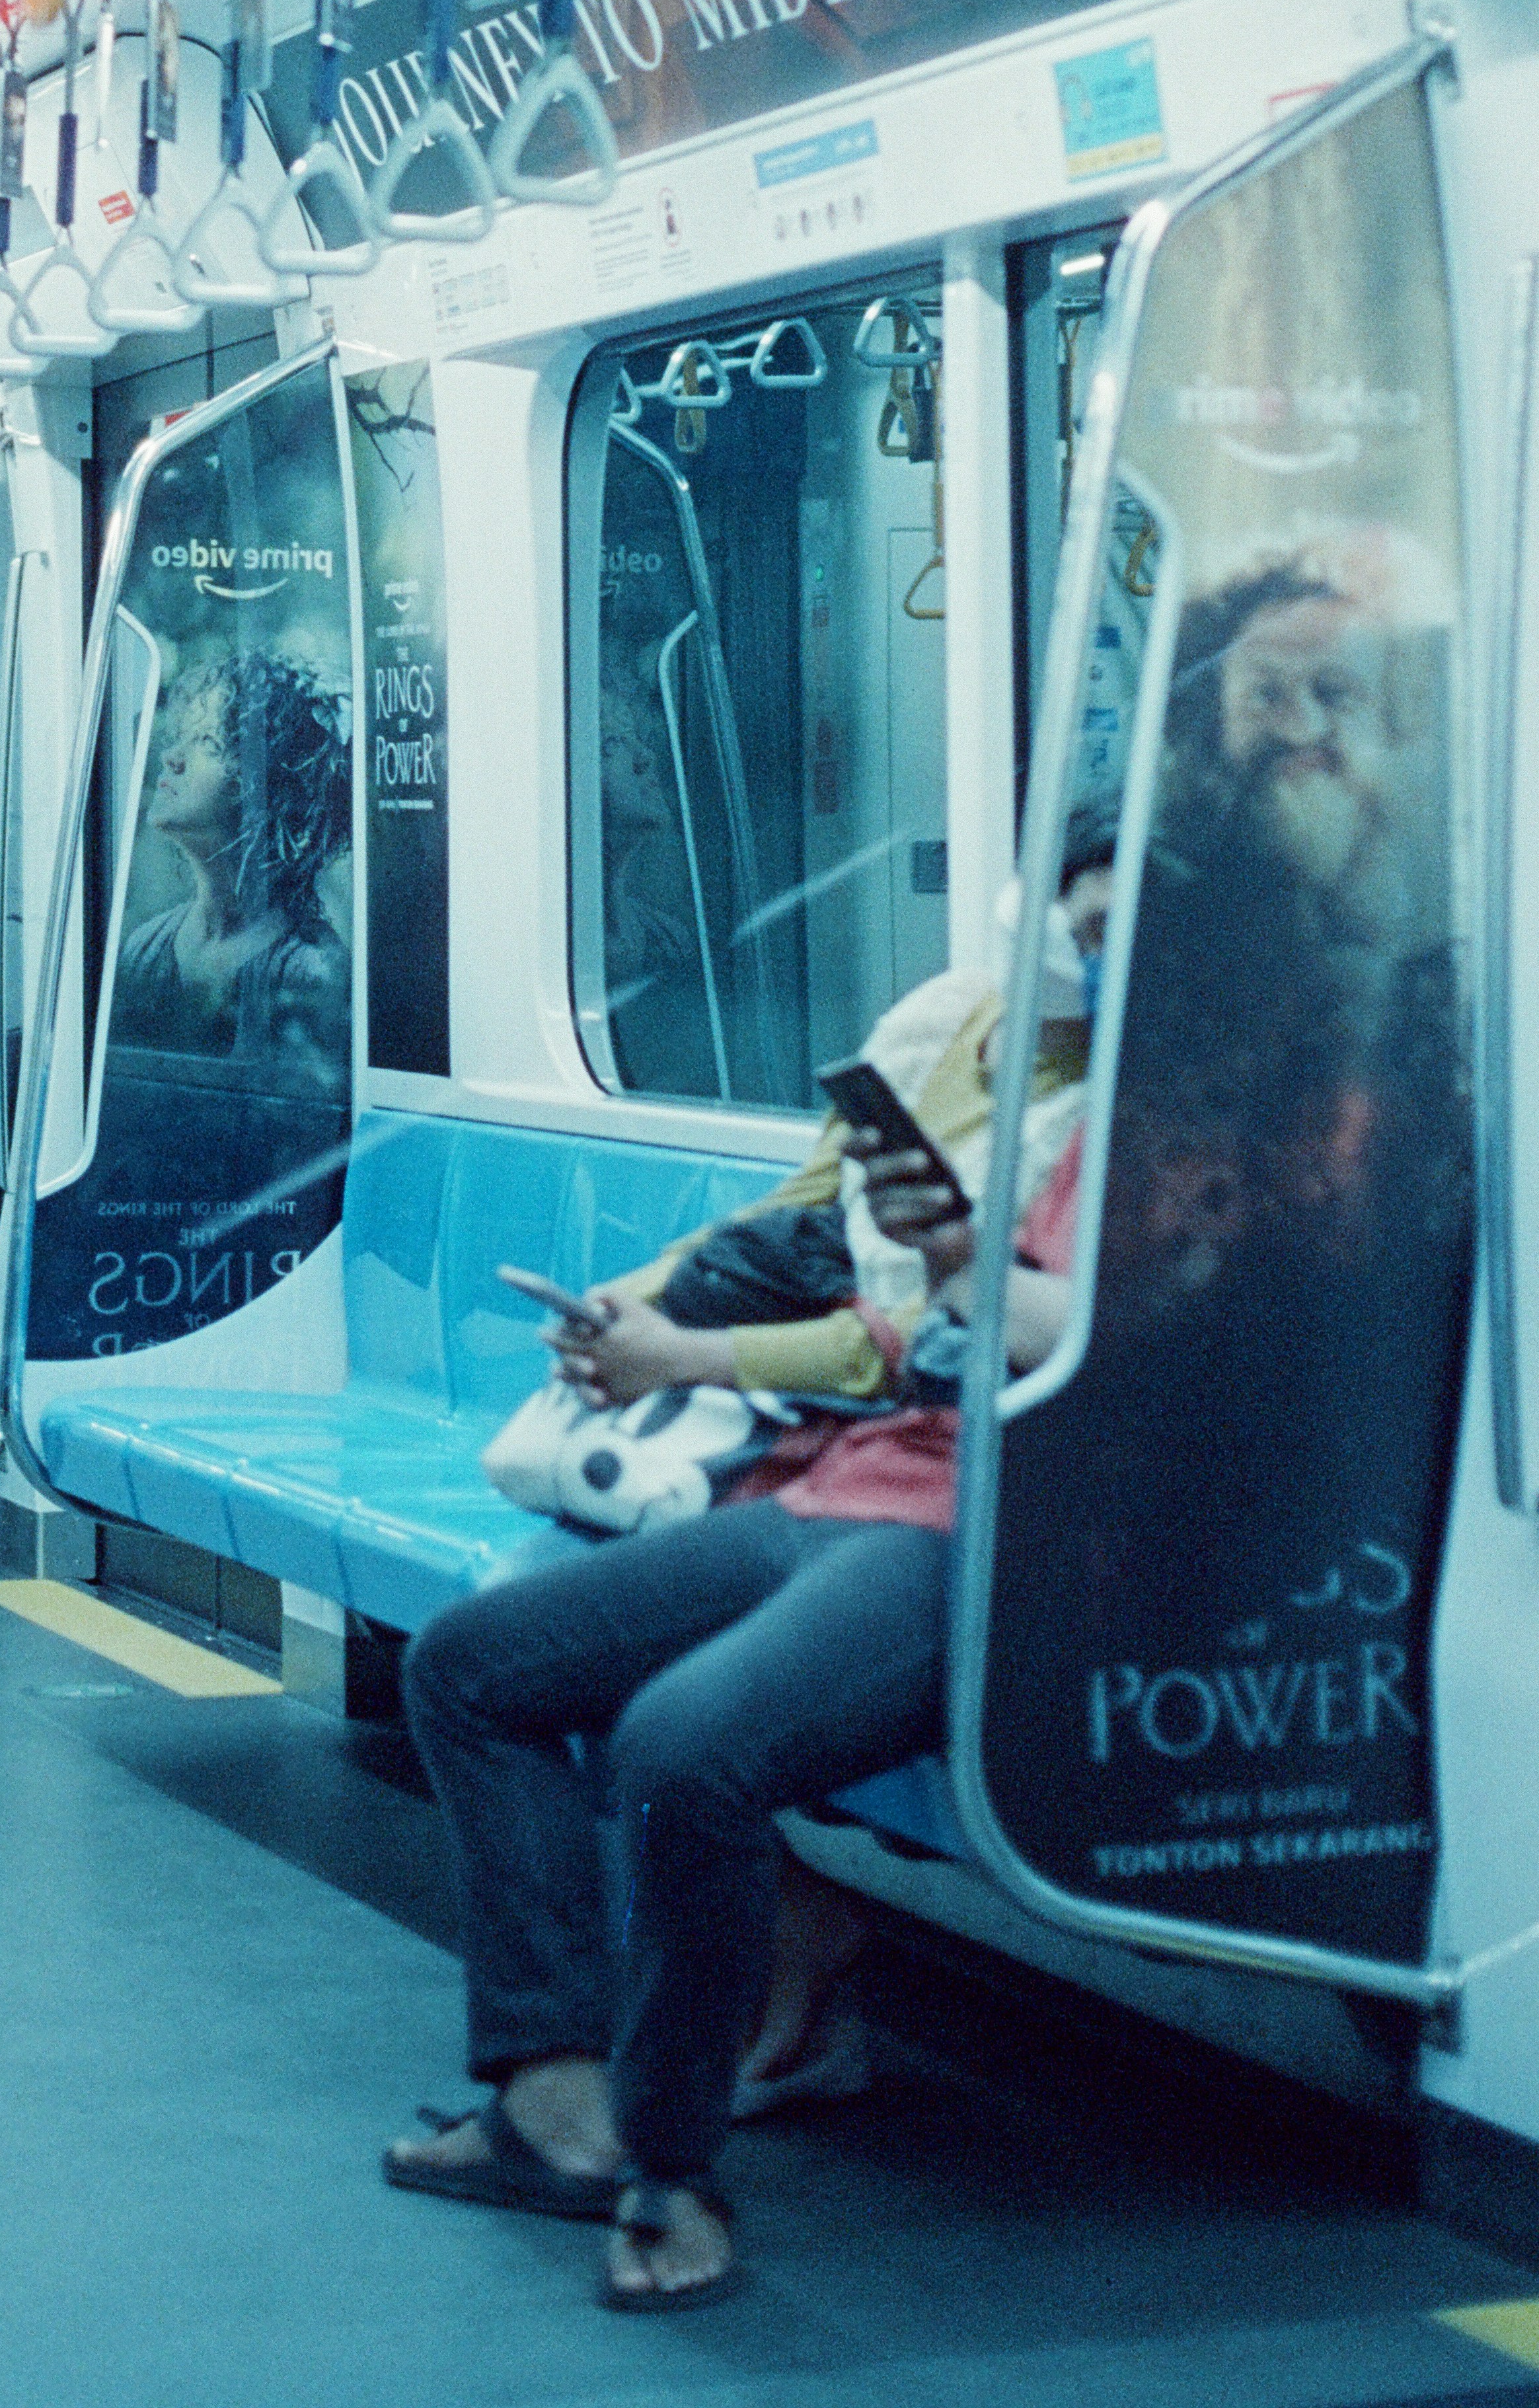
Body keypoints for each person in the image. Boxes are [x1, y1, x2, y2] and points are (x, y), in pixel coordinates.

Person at [383, 839, 1111, 2316]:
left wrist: (949, 1262)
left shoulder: (1183, 1117)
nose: (1083, 964)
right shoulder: (973, 1049)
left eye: (1114, 934)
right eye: (1071, 928)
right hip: (845, 1483)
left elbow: (1064, 1334)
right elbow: (871, 1292)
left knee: (679, 1749)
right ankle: (552, 2101)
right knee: (467, 1667)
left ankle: (669, 2169)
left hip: (974, 1528)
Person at [112, 648, 350, 1092]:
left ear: (266, 788)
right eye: (178, 736)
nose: (171, 758)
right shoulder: (145, 947)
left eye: (207, 743)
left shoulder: (309, 968)